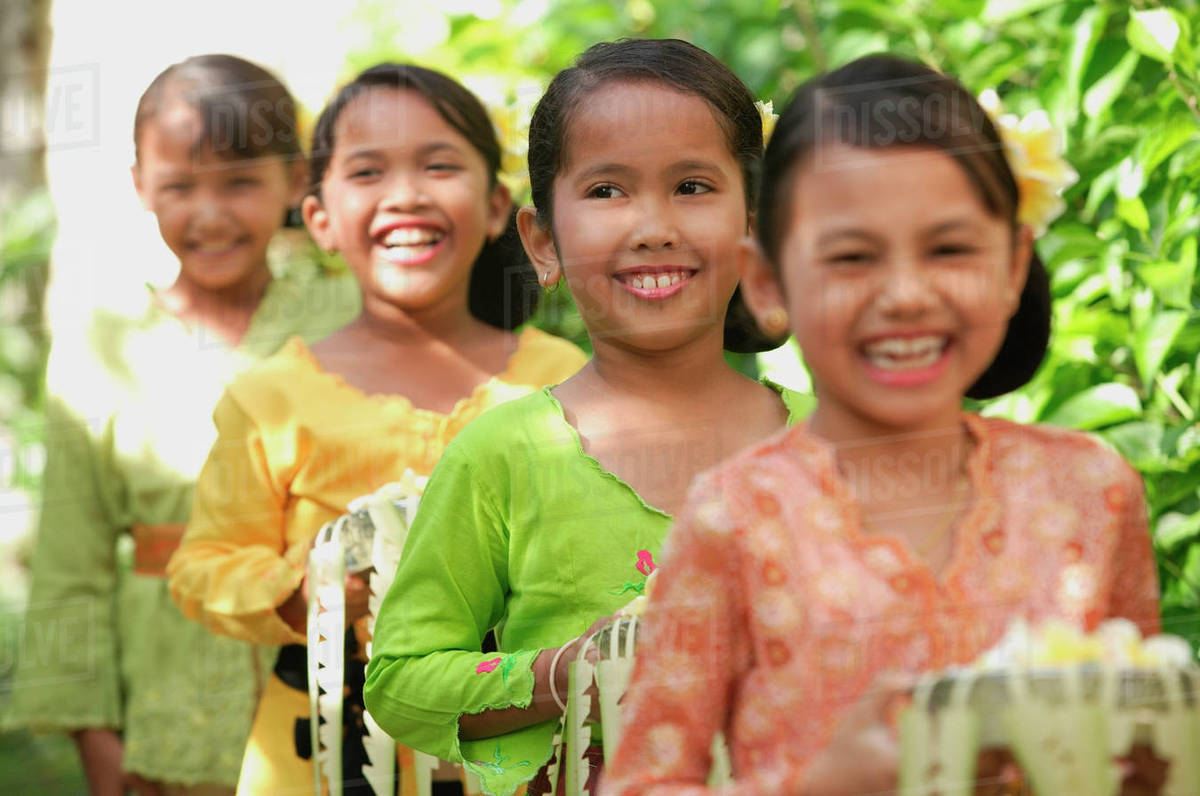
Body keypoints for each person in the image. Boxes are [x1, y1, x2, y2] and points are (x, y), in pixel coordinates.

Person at [602, 54, 1162, 794]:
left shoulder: (1091, 490)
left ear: (1012, 265)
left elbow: (1147, 735)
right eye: (852, 256)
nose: (905, 295)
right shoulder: (735, 519)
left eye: (949, 249)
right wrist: (821, 786)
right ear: (767, 282)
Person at [363, 39, 813, 796]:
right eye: (607, 191)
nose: (653, 227)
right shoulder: (503, 454)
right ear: (543, 242)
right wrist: (565, 675)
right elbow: (402, 680)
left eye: (693, 186)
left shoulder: (829, 446)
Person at [167, 63, 586, 795]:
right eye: (367, 172)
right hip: (317, 757)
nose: (405, 195)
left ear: (496, 206)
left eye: (438, 165)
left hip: (522, 753)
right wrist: (305, 589)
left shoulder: (563, 381)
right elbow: (202, 566)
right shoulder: (271, 397)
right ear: (320, 218)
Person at [9, 54, 360, 795]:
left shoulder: (350, 320)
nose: (209, 215)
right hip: (163, 710)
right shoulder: (101, 344)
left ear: (294, 179)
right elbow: (72, 563)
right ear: (140, 185)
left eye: (239, 182)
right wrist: (96, 740)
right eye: (178, 187)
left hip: (329, 698)